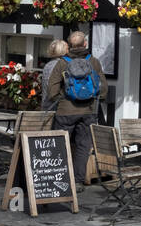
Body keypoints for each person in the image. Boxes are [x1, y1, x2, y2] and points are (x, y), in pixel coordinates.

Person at [47, 30, 107, 186]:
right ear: (85, 43)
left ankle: (59, 178)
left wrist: (61, 100)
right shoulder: (93, 61)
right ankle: (78, 181)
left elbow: (52, 89)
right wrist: (95, 101)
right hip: (88, 111)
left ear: (70, 46)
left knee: (60, 144)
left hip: (66, 111)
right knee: (83, 146)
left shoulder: (62, 63)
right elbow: (103, 87)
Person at [38, 39, 70, 111]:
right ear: (62, 50)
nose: (69, 51)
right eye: (67, 48)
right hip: (56, 107)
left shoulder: (48, 65)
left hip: (46, 106)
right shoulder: (62, 65)